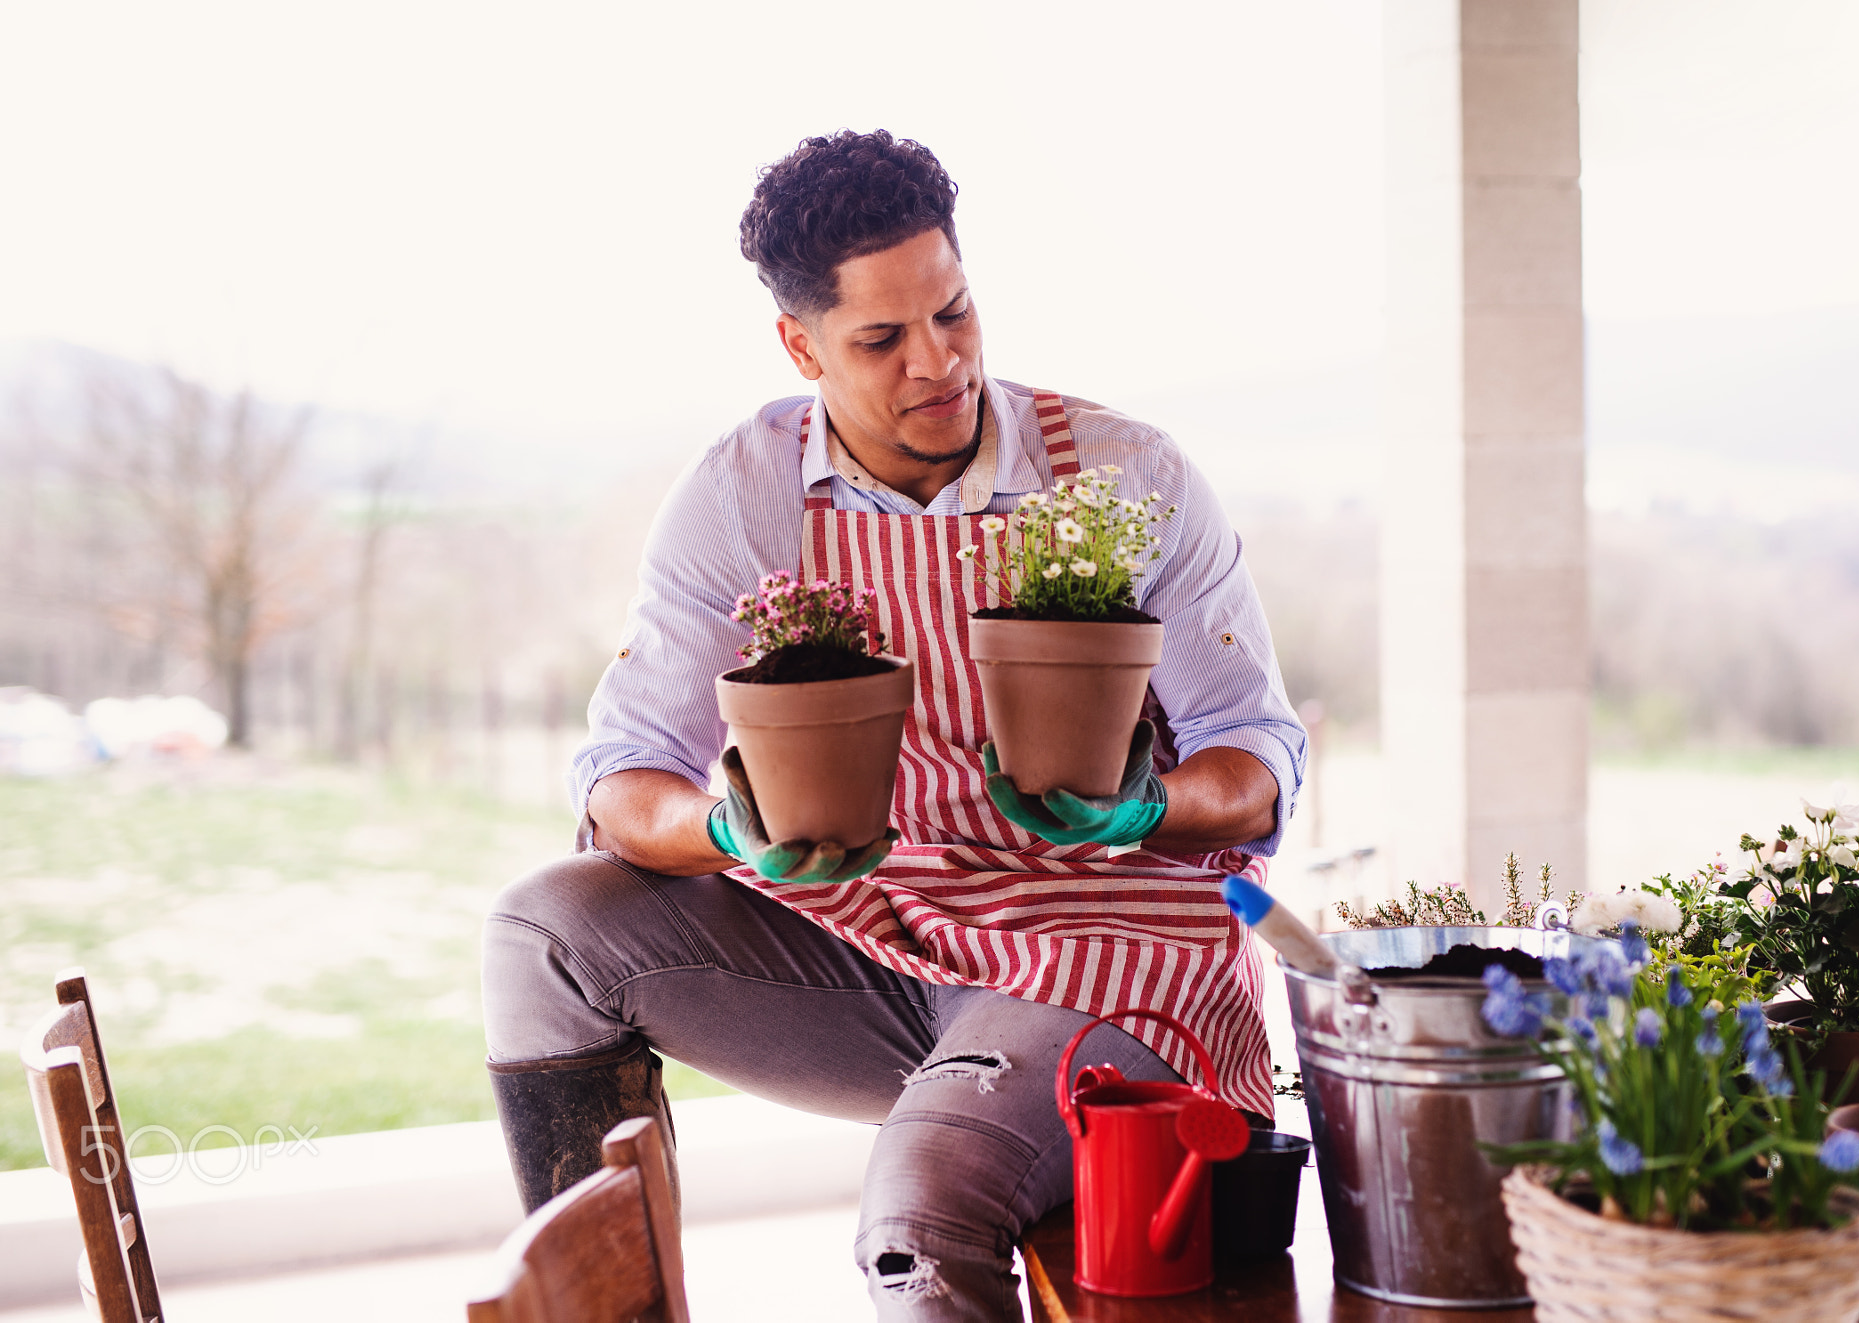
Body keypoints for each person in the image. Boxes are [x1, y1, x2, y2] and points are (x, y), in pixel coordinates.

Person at [482, 129, 1306, 1322]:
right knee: (542, 932)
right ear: (799, 343)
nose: (939, 363)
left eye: (955, 315)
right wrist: (730, 828)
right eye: (880, 339)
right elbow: (622, 780)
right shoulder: (741, 495)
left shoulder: (1127, 474)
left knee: (914, 1234)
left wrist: (1149, 806)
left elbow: (1259, 761)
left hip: (1101, 956)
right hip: (874, 936)